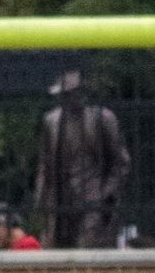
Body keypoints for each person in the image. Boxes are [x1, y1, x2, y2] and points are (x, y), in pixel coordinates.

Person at [33, 70, 129, 248]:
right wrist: (41, 197)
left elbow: (120, 163)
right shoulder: (51, 121)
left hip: (93, 197)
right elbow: (44, 164)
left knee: (89, 251)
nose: (64, 100)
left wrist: (105, 193)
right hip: (60, 200)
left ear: (79, 93)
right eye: (61, 96)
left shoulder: (102, 118)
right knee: (58, 255)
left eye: (67, 95)